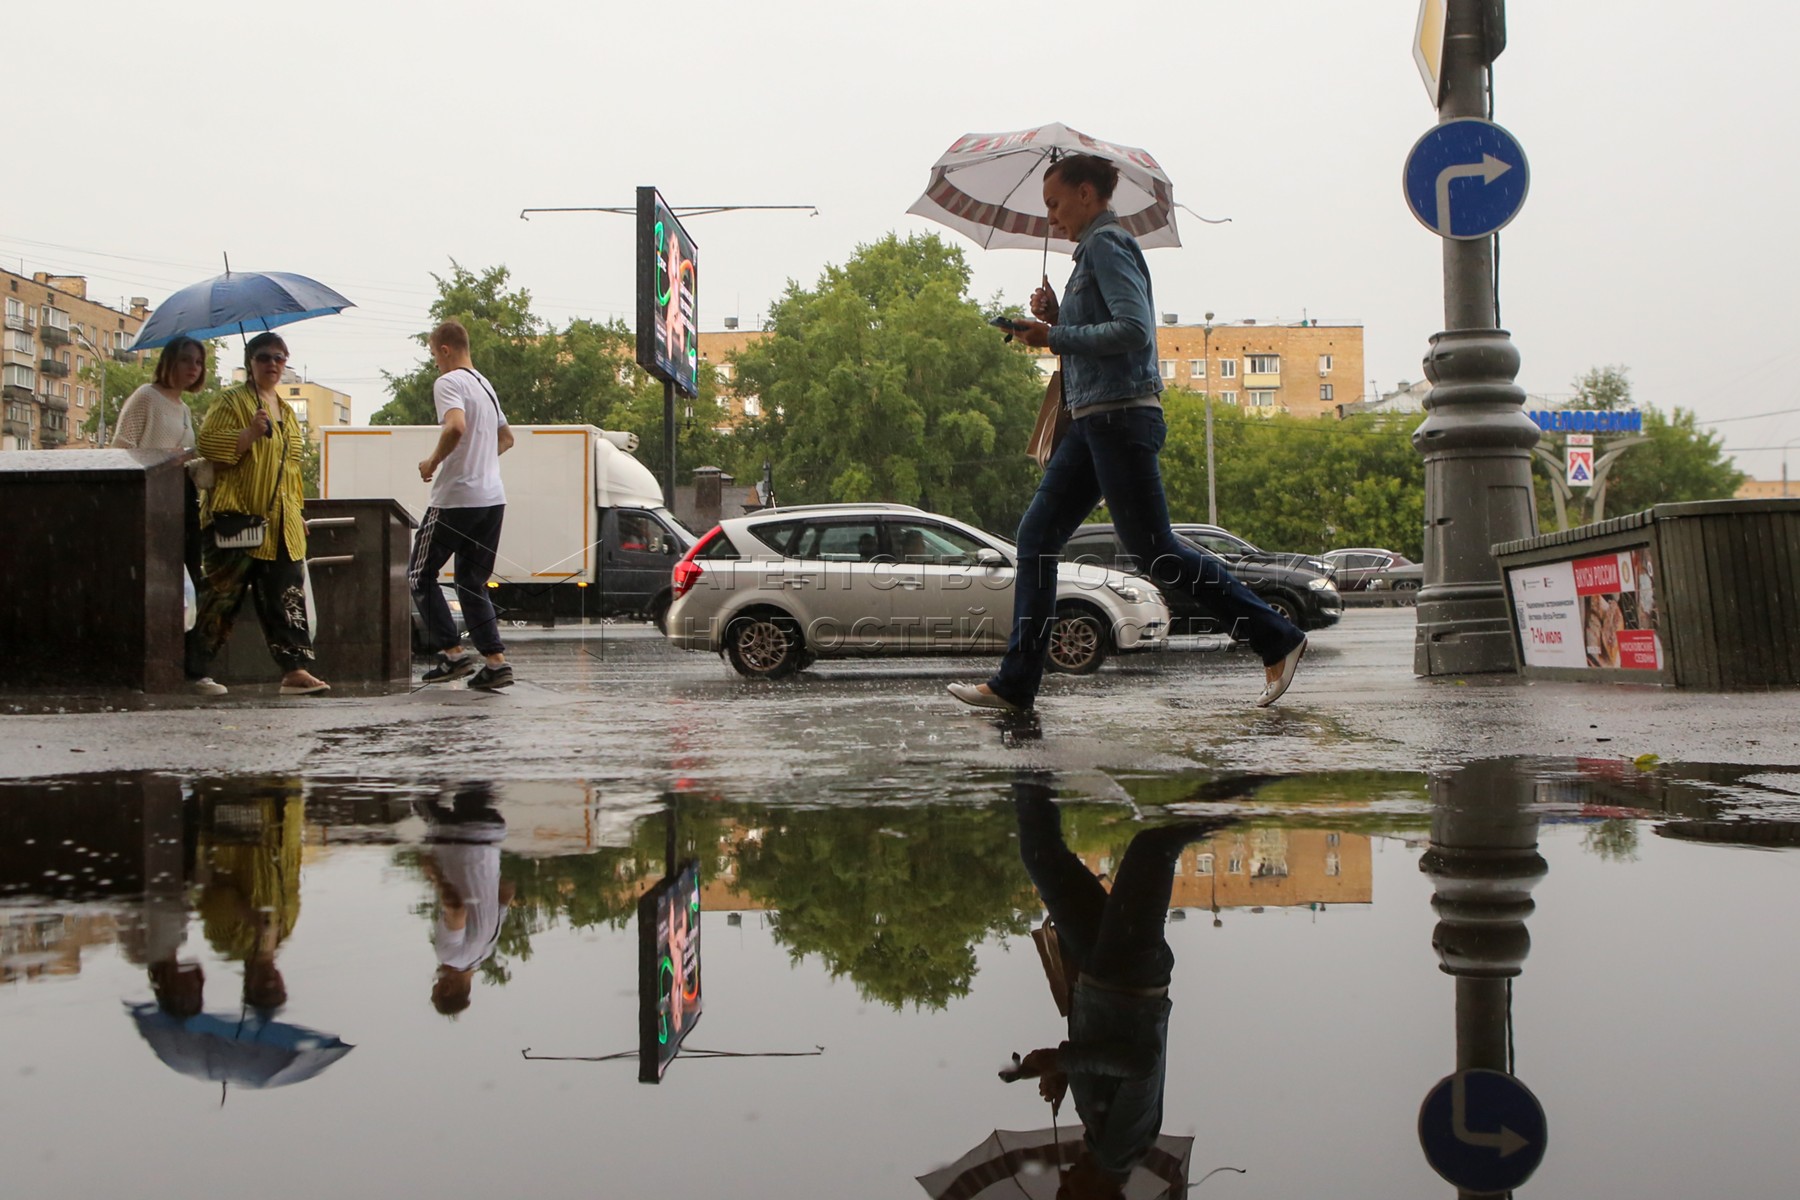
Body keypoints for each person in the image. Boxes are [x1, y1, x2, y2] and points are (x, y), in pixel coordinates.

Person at [948, 154, 1306, 713]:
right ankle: (1016, 684)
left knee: (1155, 550)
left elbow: (1133, 329)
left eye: (1055, 204)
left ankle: (1276, 636)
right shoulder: (1092, 251)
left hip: (1119, 419)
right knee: (1037, 539)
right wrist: (1056, 316)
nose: (1051, 218)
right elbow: (1102, 325)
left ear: (1087, 194)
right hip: (1095, 421)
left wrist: (1055, 335)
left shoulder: (1107, 244)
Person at [1001, 776, 1231, 1198]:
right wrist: (1061, 1060)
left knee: (1042, 857)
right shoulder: (1121, 1151)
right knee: (1152, 847)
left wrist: (1067, 1073)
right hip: (1127, 976)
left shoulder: (1102, 1143)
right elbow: (1140, 1066)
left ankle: (1023, 734)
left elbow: (1107, 1061)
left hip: (1100, 971)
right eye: (1067, 1196)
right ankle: (1258, 781)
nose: (1063, 1182)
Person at [186, 333, 330, 697]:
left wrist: (297, 513)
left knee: (287, 596)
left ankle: (295, 670)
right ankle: (192, 672)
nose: (273, 364)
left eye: (280, 358)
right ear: (250, 362)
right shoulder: (231, 401)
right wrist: (249, 433)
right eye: (264, 357)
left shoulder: (285, 410)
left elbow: (293, 468)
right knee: (222, 598)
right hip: (237, 521)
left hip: (281, 525)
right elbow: (209, 446)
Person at [411, 320, 515, 691]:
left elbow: (455, 426)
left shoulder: (449, 382)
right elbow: (507, 438)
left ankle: (452, 655)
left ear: (444, 350)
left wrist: (433, 462)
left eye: (433, 355)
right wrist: (481, 459)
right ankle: (495, 662)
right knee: (472, 582)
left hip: (456, 499)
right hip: (492, 499)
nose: (435, 365)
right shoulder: (485, 385)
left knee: (419, 575)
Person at [112, 336, 209, 594]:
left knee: (187, 571)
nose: (194, 367)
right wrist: (163, 457)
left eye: (199, 362)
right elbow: (122, 448)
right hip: (153, 496)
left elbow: (187, 462)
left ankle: (183, 631)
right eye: (186, 359)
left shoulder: (185, 408)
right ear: (169, 362)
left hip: (182, 497)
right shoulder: (146, 396)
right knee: (158, 574)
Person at [416, 785, 513, 1016]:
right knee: (420, 795)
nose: (436, 979)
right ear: (446, 989)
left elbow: (507, 892)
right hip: (457, 838)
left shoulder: (486, 948)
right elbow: (457, 910)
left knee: (474, 775)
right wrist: (435, 875)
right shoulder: (449, 955)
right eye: (436, 986)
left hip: (491, 832)